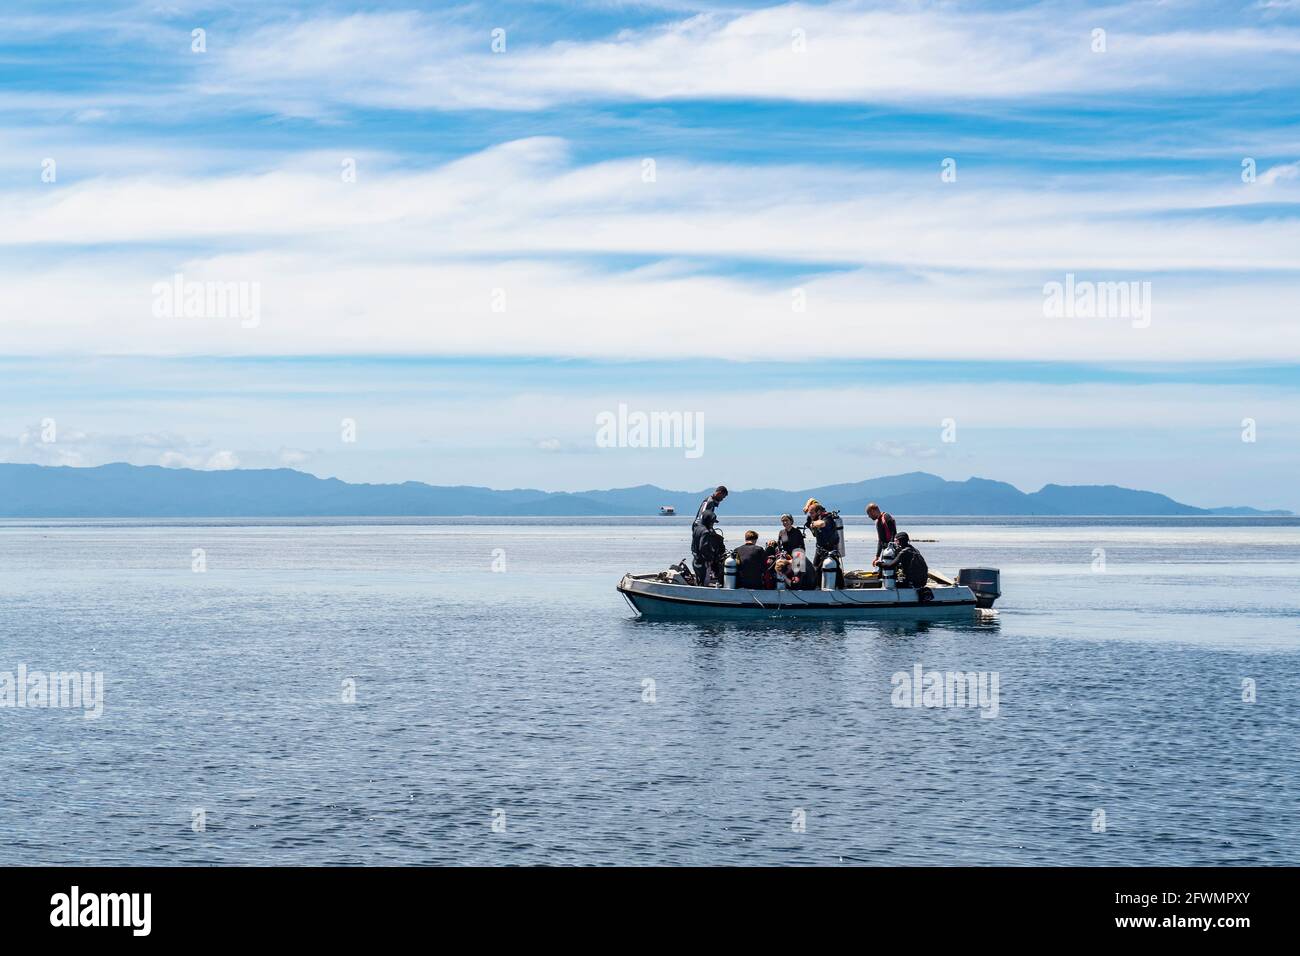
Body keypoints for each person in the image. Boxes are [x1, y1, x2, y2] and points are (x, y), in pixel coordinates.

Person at [802, 498, 844, 589]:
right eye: (810, 513)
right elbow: (811, 499)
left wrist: (813, 524)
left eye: (812, 513)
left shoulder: (827, 517)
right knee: (815, 569)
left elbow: (822, 524)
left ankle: (840, 587)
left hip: (830, 549)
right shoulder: (813, 518)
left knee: (834, 568)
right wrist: (807, 506)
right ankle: (817, 587)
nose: (810, 515)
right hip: (820, 549)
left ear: (818, 512)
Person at [691, 485, 728, 585]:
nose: (722, 499)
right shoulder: (710, 502)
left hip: (697, 526)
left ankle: (707, 571)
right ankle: (710, 569)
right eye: (723, 497)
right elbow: (704, 515)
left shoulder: (708, 499)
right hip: (701, 526)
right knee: (706, 546)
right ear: (719, 493)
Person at [890, 532, 932, 597]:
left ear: (900, 541)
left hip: (912, 583)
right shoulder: (915, 550)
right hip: (922, 581)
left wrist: (879, 563)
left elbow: (890, 565)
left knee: (892, 585)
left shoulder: (904, 552)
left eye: (896, 541)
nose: (895, 543)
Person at [866, 502, 897, 567]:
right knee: (882, 571)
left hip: (892, 551)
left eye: (869, 514)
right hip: (885, 551)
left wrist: (891, 548)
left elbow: (893, 533)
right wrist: (877, 556)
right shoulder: (878, 522)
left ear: (873, 511)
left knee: (890, 571)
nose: (869, 516)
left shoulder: (886, 517)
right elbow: (880, 540)